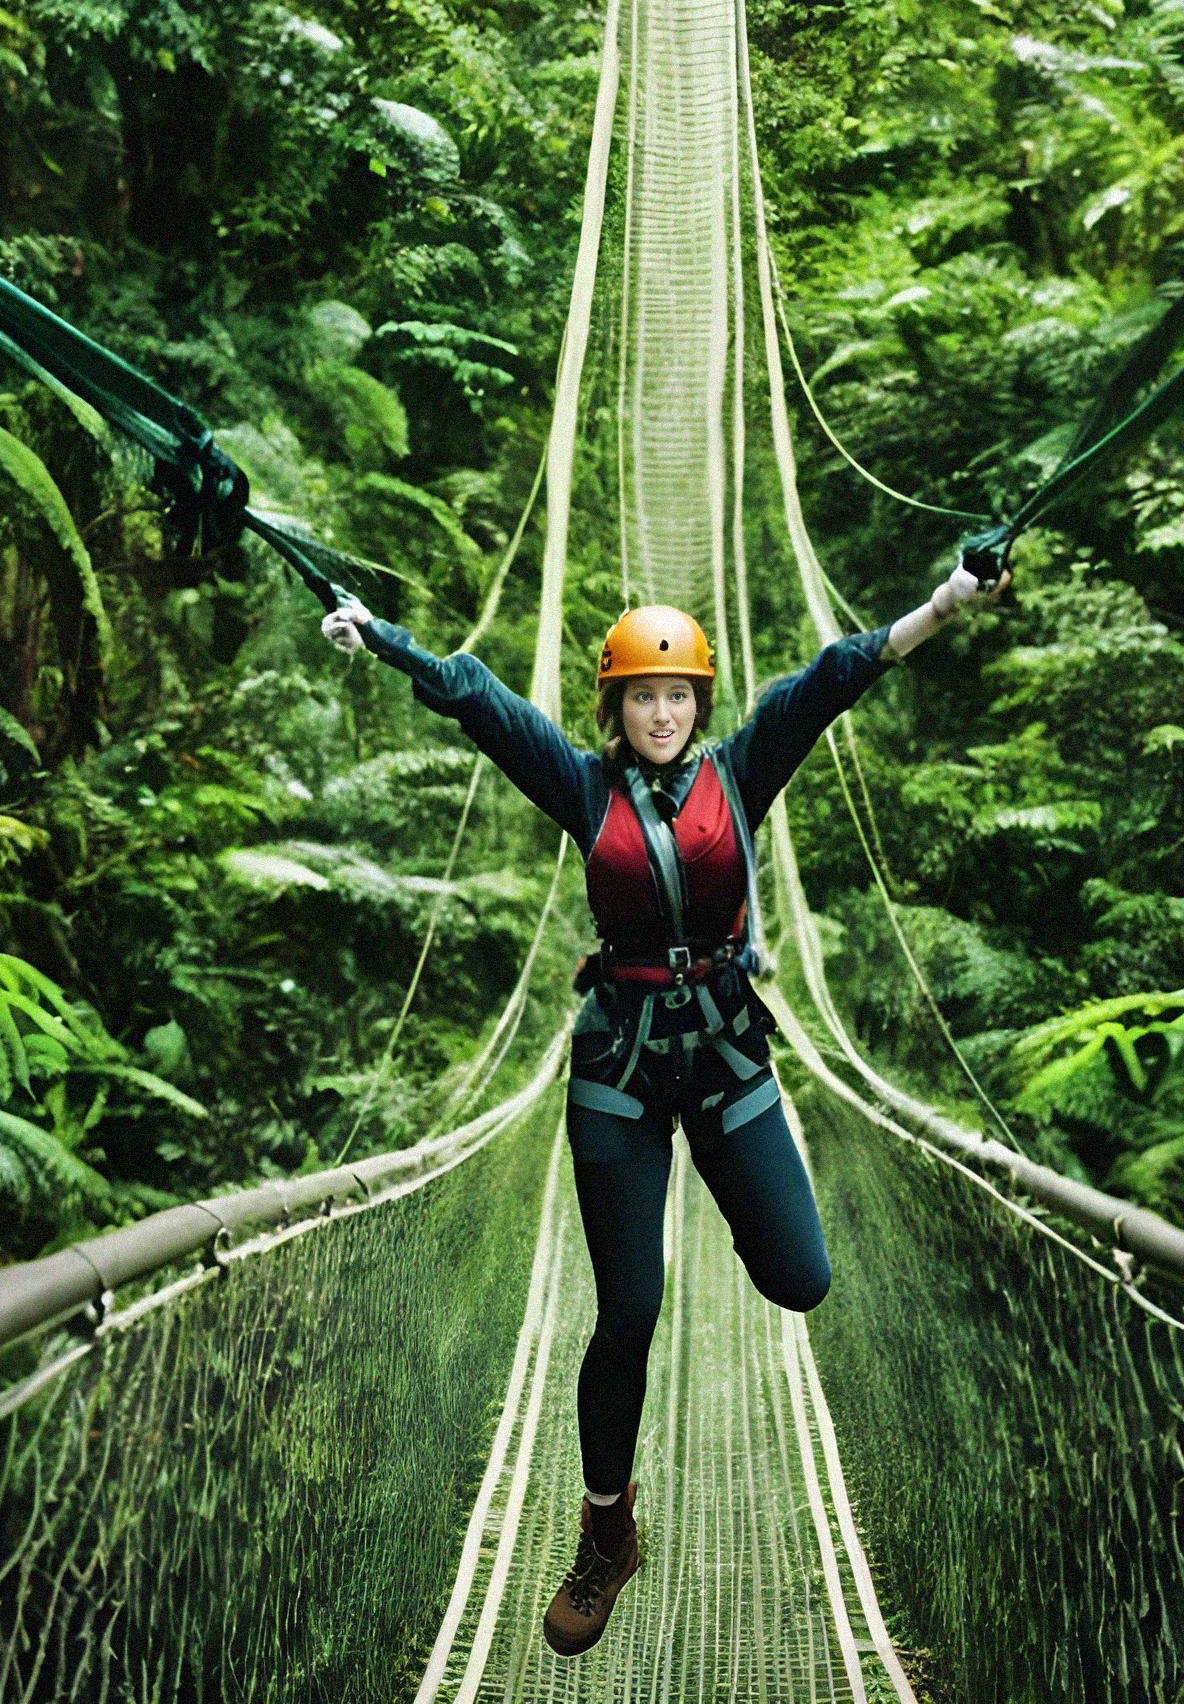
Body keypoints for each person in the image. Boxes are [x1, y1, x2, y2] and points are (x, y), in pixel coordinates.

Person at [319, 557, 1009, 1658]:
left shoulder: (740, 773)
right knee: (629, 1310)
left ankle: (737, 1214)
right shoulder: (581, 787)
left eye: (676, 693)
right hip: (621, 1075)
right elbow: (483, 704)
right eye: (641, 694)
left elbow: (835, 676)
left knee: (799, 1278)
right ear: (614, 706)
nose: (660, 712)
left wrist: (942, 603)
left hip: (726, 1056)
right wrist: (385, 640)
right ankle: (605, 1536)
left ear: (699, 703)